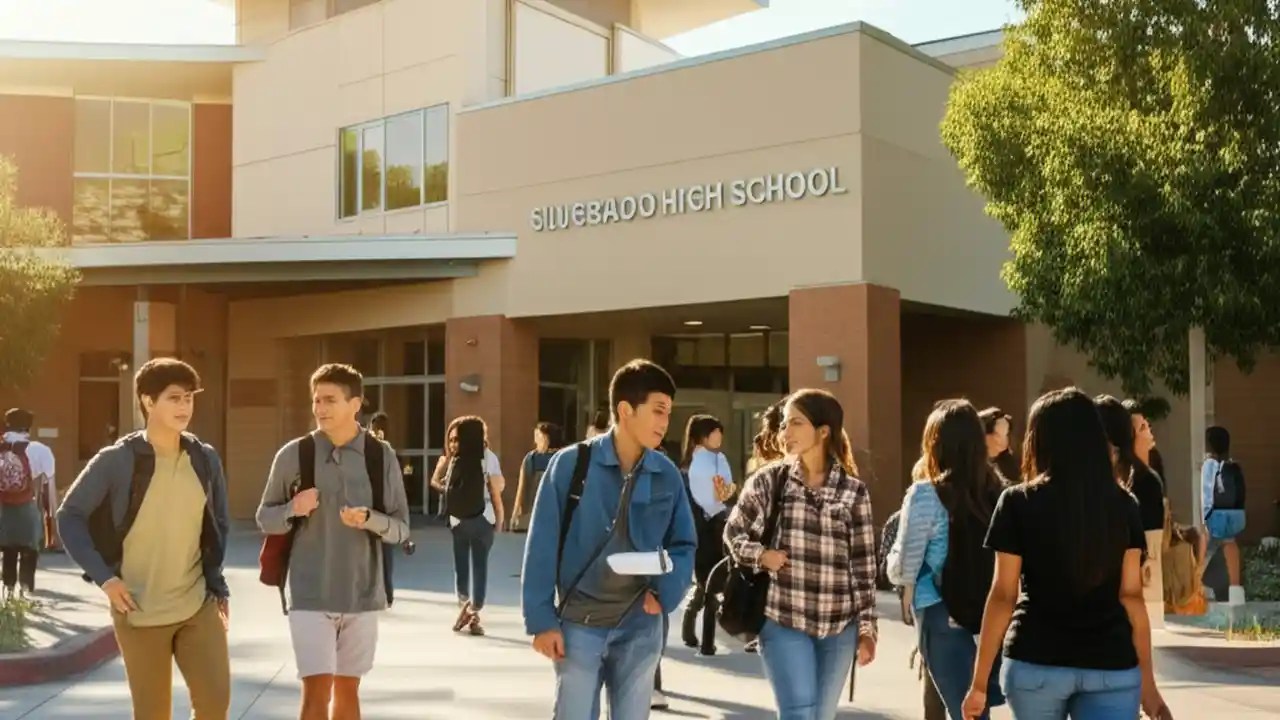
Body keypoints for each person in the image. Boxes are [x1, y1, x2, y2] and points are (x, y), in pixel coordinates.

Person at [962, 388, 1169, 720]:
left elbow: (1003, 595)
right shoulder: (1124, 504)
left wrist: (979, 683)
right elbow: (1131, 597)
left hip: (1035, 661)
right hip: (1111, 664)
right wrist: (1149, 688)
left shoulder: (1017, 502)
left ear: (1039, 439)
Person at [521, 359, 696, 720]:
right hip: (578, 623)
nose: (665, 422)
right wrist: (541, 620)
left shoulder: (667, 474)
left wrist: (666, 592)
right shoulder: (571, 464)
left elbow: (684, 544)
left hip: (641, 623)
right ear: (625, 409)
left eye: (669, 413)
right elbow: (541, 544)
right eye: (658, 411)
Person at [57, 358, 231, 719]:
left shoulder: (204, 458)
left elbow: (219, 524)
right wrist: (105, 578)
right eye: (174, 398)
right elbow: (69, 516)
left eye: (189, 398)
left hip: (196, 605)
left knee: (215, 704)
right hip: (137, 610)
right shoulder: (117, 460)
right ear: (148, 402)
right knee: (153, 714)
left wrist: (217, 583)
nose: (185, 406)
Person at [256, 363, 411, 720]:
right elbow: (265, 518)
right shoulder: (294, 454)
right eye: (316, 400)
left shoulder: (380, 456)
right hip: (310, 593)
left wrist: (370, 519)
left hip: (362, 593)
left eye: (330, 400)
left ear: (355, 404)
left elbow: (402, 528)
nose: (320, 408)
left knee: (347, 693)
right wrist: (294, 508)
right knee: (316, 691)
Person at [724, 389, 878, 720]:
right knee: (798, 714)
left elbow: (864, 569)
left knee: (820, 716)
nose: (785, 432)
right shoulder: (770, 480)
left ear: (823, 431)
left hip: (839, 625)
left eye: (796, 423)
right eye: (783, 424)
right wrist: (761, 555)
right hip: (783, 618)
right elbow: (733, 532)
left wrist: (866, 629)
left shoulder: (853, 492)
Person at [888, 400, 1004, 719]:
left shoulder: (926, 494)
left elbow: (905, 565)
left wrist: (894, 566)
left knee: (962, 710)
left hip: (940, 610)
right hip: (990, 612)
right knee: (976, 706)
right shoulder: (998, 492)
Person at [429, 415, 506, 635]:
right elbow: (496, 489)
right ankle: (473, 613)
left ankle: (467, 609)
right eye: (451, 440)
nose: (453, 444)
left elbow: (440, 487)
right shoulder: (488, 458)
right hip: (484, 517)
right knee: (478, 567)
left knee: (463, 567)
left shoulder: (454, 461)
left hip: (460, 519)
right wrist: (500, 518)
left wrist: (440, 474)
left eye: (456, 439)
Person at [680, 414, 736, 656]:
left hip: (718, 528)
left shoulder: (717, 460)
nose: (719, 436)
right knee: (709, 583)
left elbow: (726, 490)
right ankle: (700, 637)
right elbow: (703, 500)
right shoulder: (689, 467)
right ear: (702, 436)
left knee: (711, 584)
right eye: (714, 432)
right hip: (702, 532)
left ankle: (696, 632)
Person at [1, 408, 55, 600]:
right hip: (27, 506)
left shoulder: (2, 447)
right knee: (29, 549)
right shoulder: (40, 450)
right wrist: (50, 521)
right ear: (29, 427)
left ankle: (7, 590)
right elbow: (48, 487)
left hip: (3, 508)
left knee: (8, 549)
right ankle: (25, 591)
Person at [1202, 425, 1247, 605]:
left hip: (1215, 516)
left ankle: (1195, 588)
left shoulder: (1209, 464)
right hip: (1235, 515)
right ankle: (1236, 592)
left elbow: (1206, 493)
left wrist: (1205, 518)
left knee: (1204, 549)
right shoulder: (1233, 466)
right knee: (1230, 544)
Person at [512, 422, 563, 531]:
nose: (535, 440)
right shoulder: (562, 457)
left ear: (546, 438)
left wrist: (515, 515)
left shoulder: (533, 458)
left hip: (539, 512)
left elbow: (522, 489)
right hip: (551, 514)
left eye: (538, 436)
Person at [978, 407, 1017, 484]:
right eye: (996, 434)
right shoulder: (972, 466)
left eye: (1005, 434)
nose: (1001, 441)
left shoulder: (1009, 466)